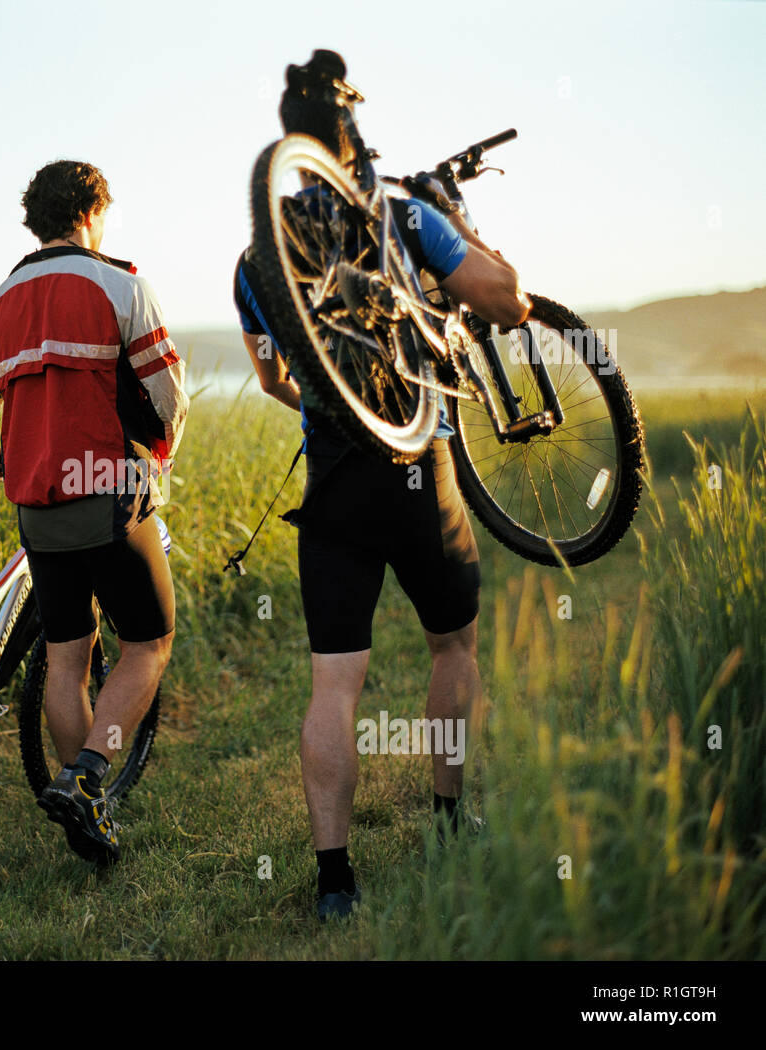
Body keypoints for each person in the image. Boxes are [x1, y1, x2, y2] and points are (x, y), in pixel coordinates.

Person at [234, 50, 531, 921]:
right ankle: (446, 820)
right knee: (452, 647)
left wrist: (331, 396)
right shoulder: (403, 214)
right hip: (419, 472)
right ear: (352, 134)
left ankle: (334, 882)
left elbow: (272, 378)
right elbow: (505, 301)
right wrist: (466, 237)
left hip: (333, 479)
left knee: (335, 682)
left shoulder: (257, 257)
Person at [0, 159, 188, 867]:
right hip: (109, 496)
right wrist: (160, 457)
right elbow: (169, 391)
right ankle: (86, 777)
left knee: (67, 660)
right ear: (92, 212)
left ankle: (86, 812)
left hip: (37, 512)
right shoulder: (119, 285)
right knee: (148, 644)